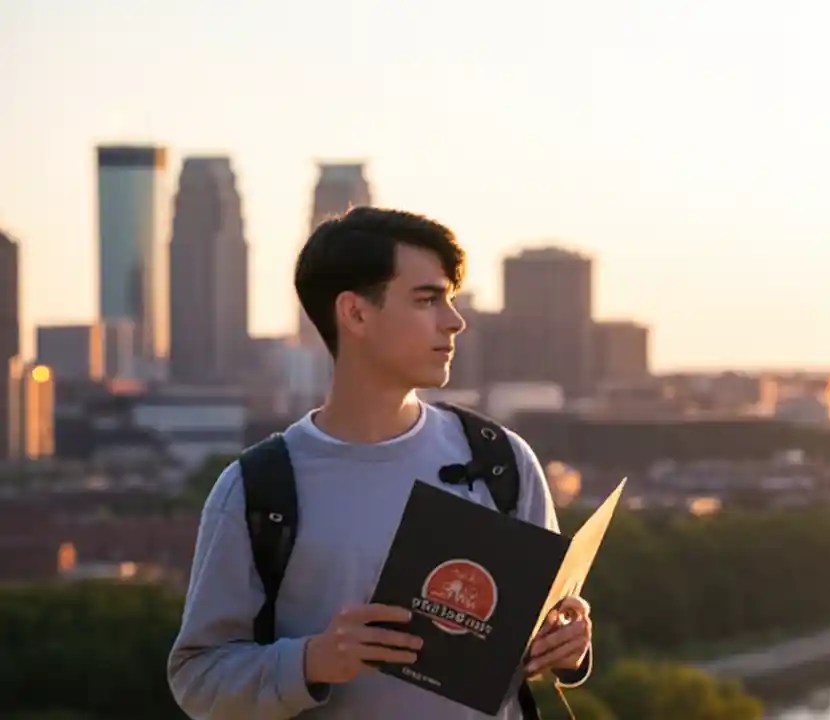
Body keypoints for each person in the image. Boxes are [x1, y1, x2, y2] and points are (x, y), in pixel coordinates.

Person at [167, 207, 592, 719]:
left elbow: (537, 636)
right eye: (427, 299)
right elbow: (198, 678)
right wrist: (311, 660)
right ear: (356, 314)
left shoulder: (500, 461)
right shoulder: (259, 489)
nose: (455, 321)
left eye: (450, 300)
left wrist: (567, 644)